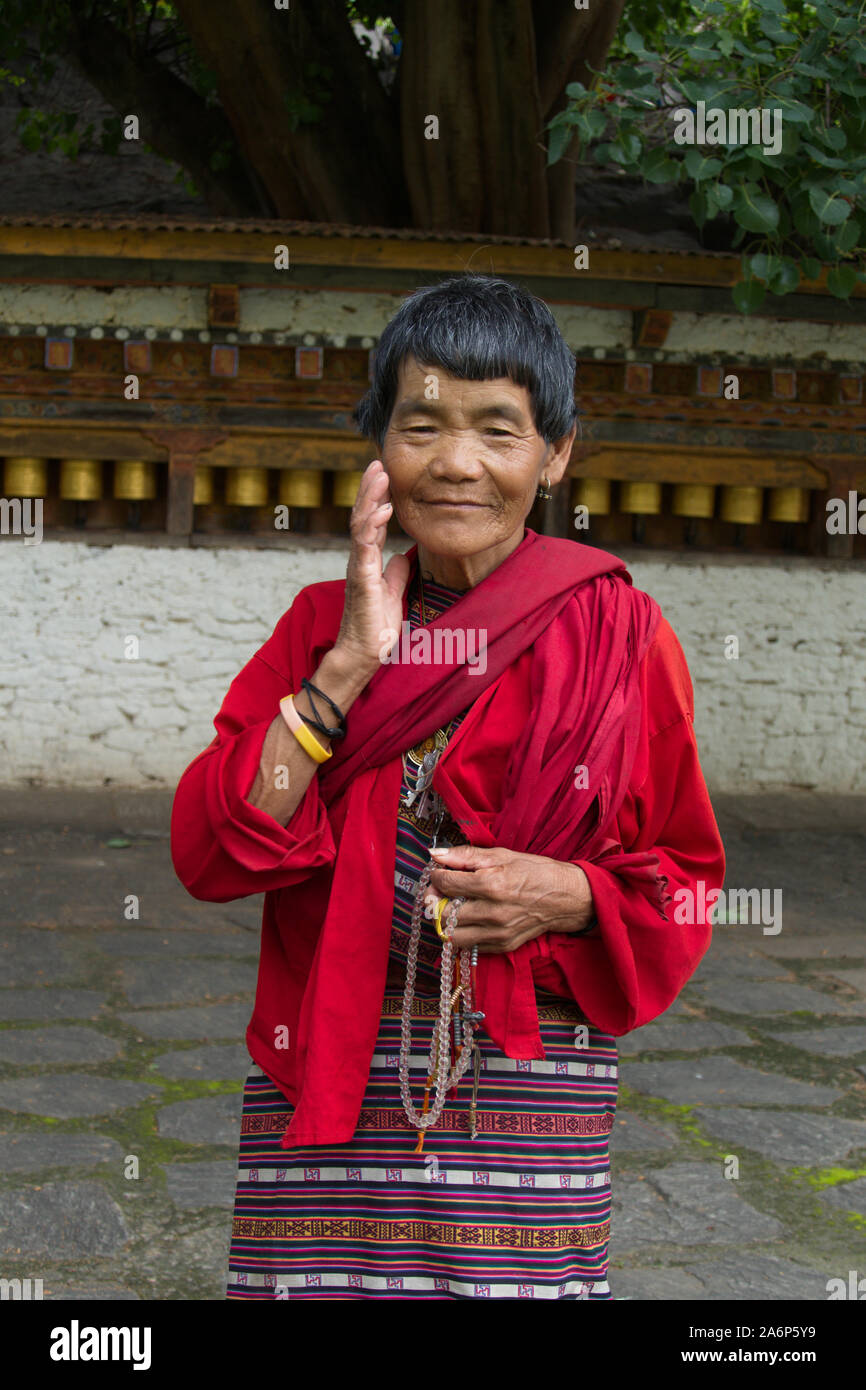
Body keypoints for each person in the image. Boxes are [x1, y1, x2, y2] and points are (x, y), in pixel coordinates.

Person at [170, 273, 725, 1300]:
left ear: (553, 454)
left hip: (525, 1092)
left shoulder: (620, 638)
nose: (456, 464)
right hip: (332, 1066)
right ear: (379, 442)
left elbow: (682, 882)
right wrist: (341, 673)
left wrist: (572, 894)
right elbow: (211, 845)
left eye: (498, 430)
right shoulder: (315, 626)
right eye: (420, 425)